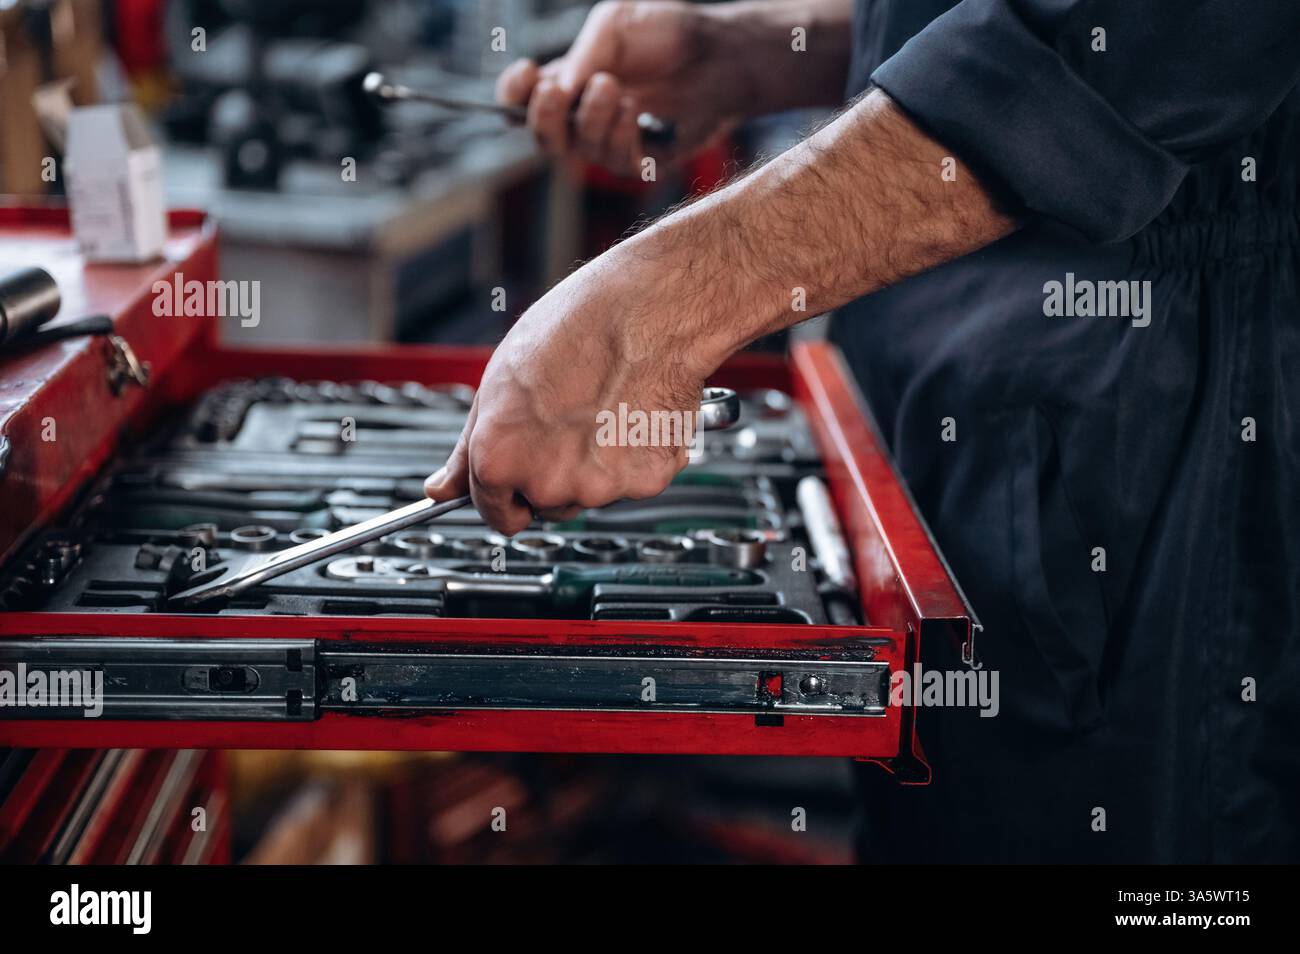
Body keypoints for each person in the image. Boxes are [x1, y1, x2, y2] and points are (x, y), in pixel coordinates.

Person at [422, 0, 1300, 863]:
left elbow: (1156, 40)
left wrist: (661, 304)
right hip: (944, 400)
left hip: (1148, 413)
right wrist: (754, 52)